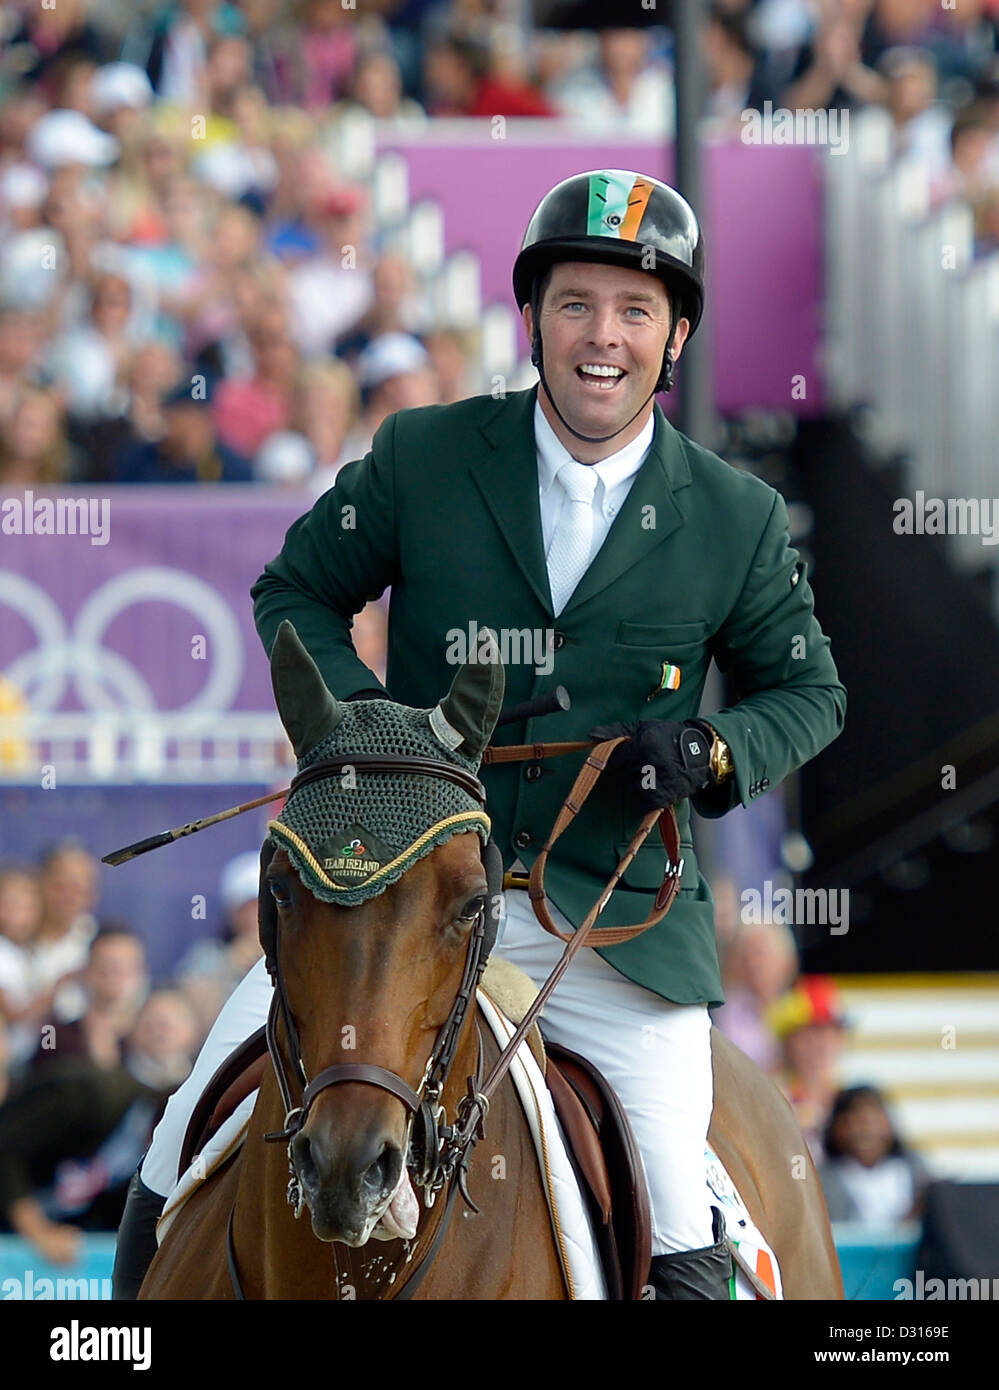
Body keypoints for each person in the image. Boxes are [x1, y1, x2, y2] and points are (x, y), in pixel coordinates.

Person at [114, 168, 845, 1301]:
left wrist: (707, 752)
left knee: (686, 1229)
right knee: (175, 1147)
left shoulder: (735, 516)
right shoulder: (426, 456)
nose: (603, 336)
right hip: (390, 892)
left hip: (605, 925)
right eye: (575, 304)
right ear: (532, 319)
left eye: (635, 311)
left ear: (675, 335)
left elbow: (809, 694)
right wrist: (366, 729)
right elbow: (296, 592)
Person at [817, 1084, 930, 1224]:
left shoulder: (915, 1170)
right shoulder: (822, 1180)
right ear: (836, 1128)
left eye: (872, 1120)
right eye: (854, 1121)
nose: (865, 1130)